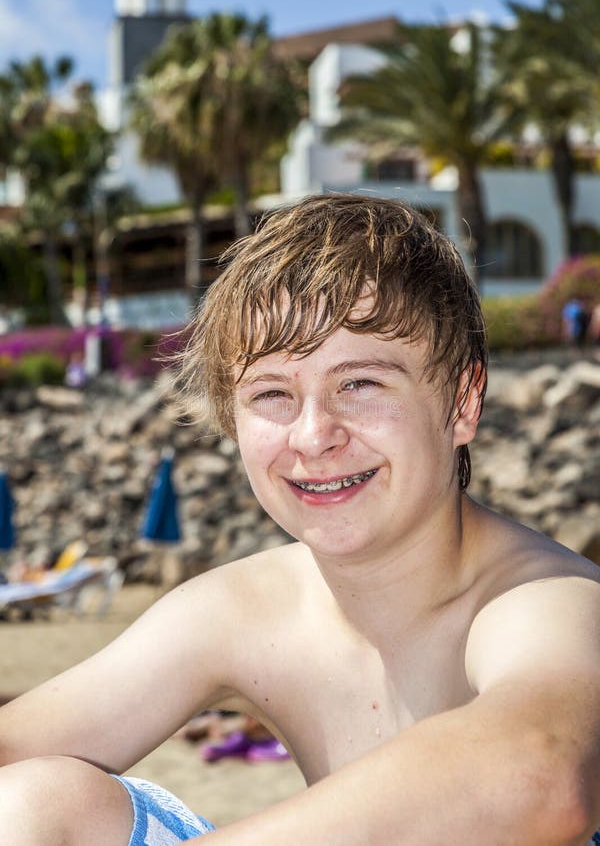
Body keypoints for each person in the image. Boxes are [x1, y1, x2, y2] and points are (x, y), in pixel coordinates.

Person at [1, 193, 600, 845]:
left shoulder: (548, 601)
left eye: (360, 384)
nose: (314, 436)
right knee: (34, 804)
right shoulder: (248, 610)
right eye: (273, 395)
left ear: (462, 400)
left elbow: (538, 774)